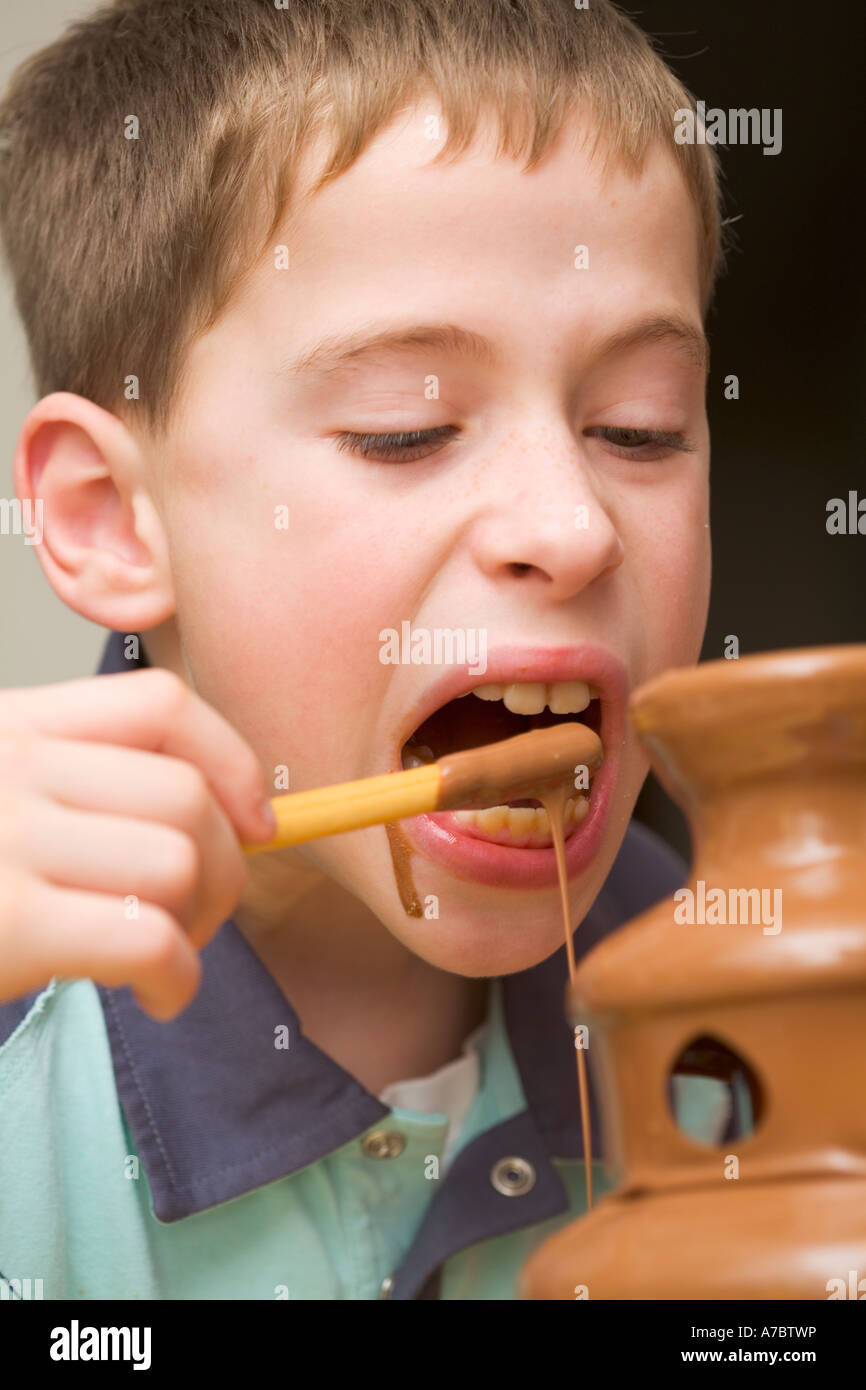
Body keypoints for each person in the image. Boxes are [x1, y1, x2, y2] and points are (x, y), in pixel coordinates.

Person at [0, 0, 727, 1299]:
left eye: (640, 427)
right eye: (406, 428)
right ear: (108, 520)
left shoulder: (752, 1021)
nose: (572, 528)